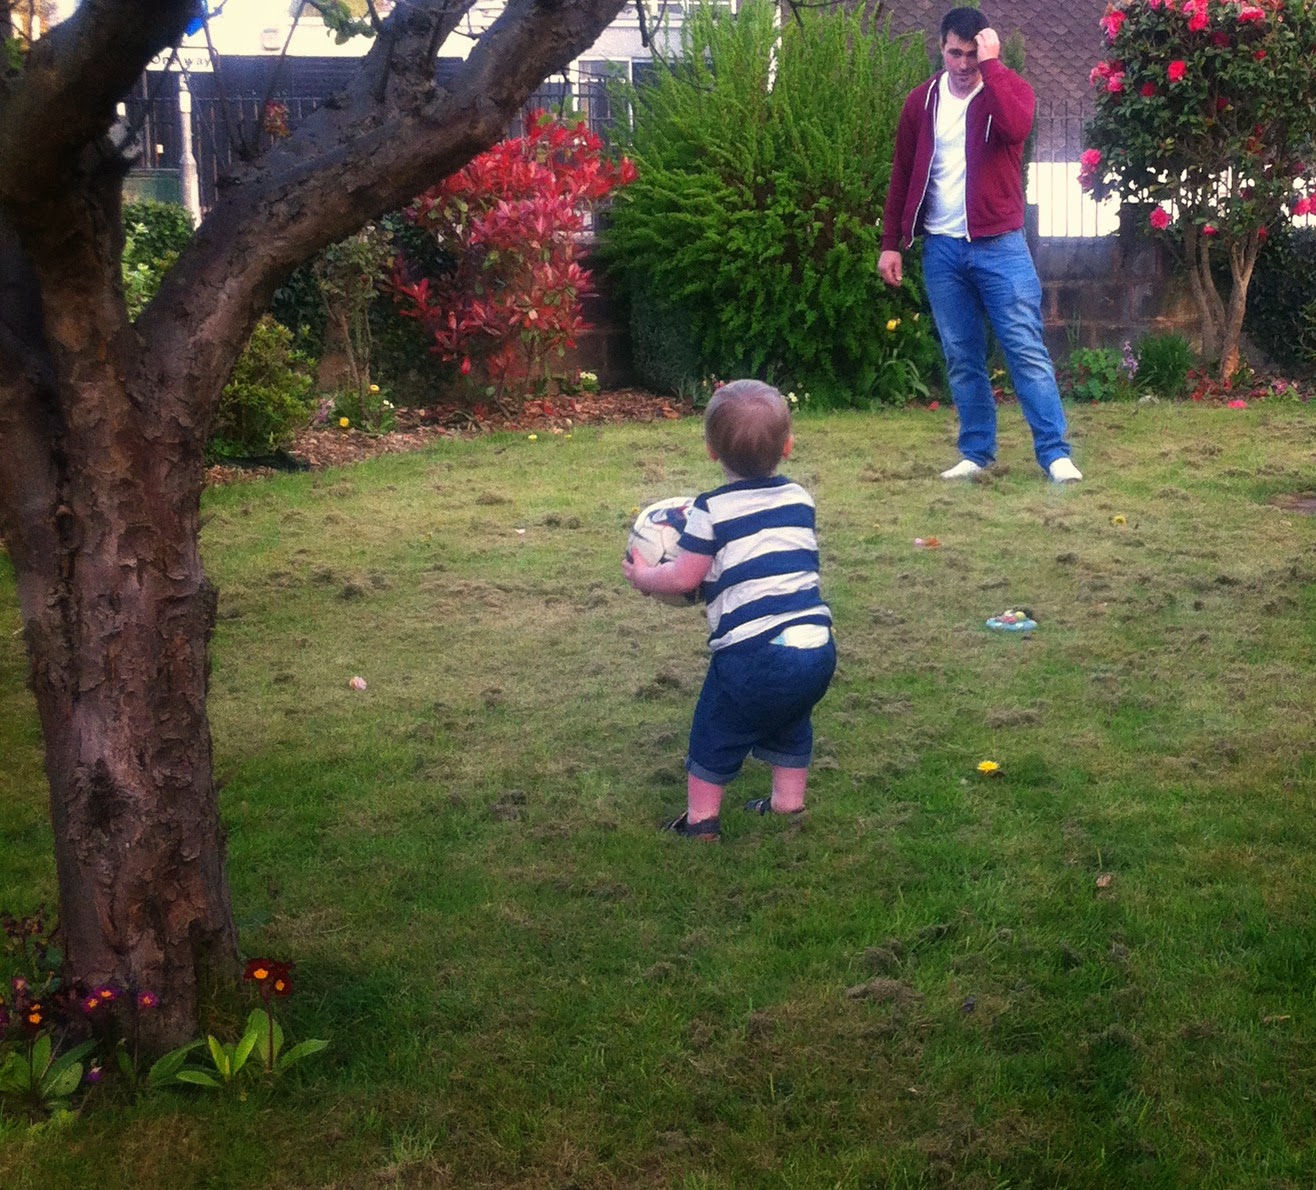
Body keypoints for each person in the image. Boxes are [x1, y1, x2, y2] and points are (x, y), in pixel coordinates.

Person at [621, 380, 837, 840]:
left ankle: (701, 823)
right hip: (816, 645)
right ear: (788, 446)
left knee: (716, 727)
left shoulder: (710, 510)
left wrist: (643, 577)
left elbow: (684, 578)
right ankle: (788, 804)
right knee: (791, 717)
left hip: (753, 651)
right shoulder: (800, 499)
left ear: (710, 451)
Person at [879, 6, 1083, 484]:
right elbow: (902, 172)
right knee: (961, 355)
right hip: (942, 249)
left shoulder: (1008, 90)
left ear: (986, 50)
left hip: (1001, 246)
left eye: (973, 54)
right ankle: (976, 452)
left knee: (1025, 349)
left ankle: (1055, 454)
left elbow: (1016, 128)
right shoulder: (921, 102)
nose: (964, 64)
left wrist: (995, 68)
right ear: (941, 48)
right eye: (955, 53)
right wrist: (891, 242)